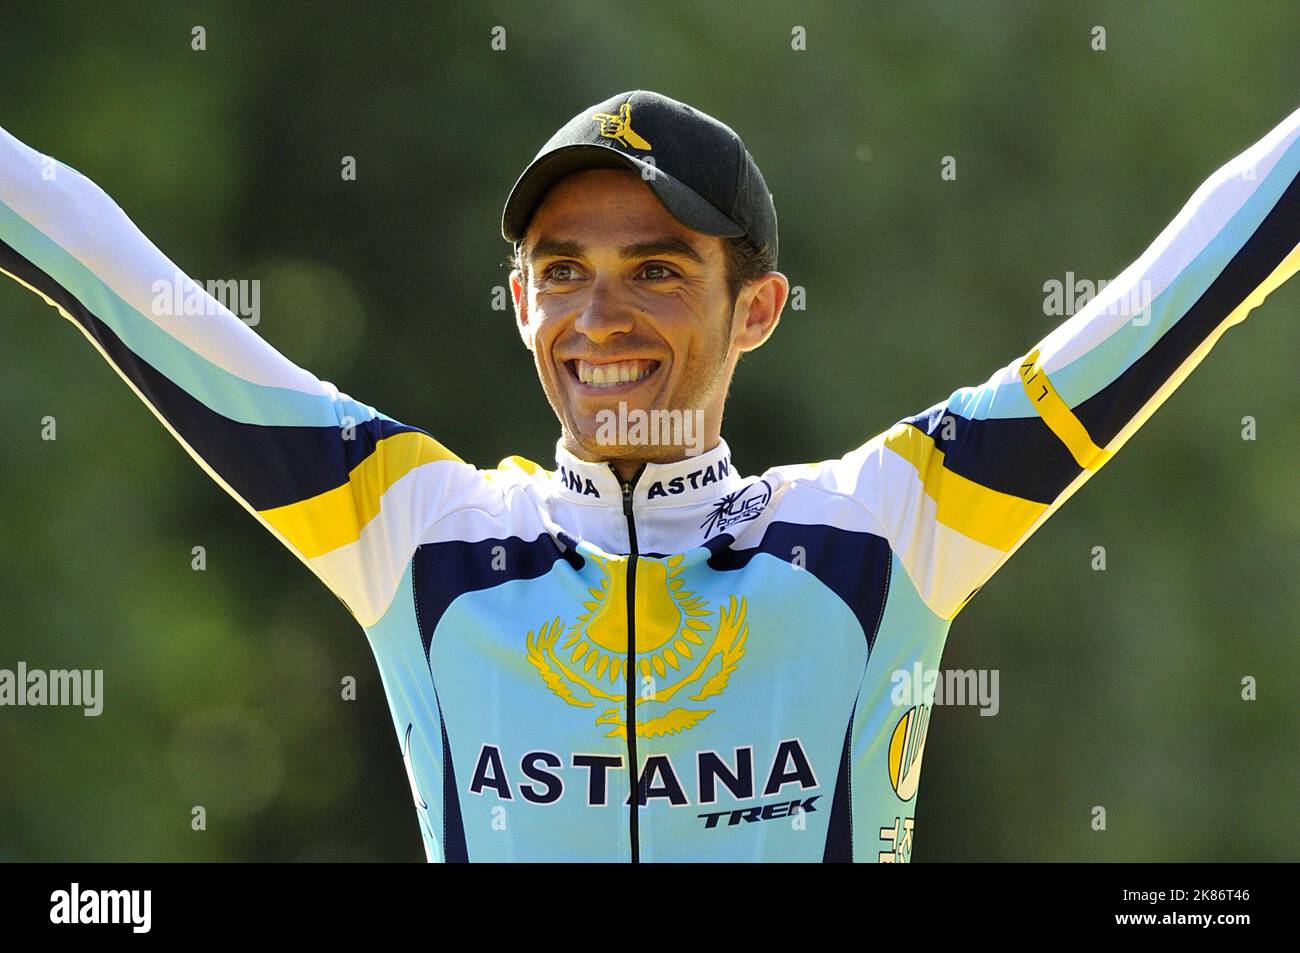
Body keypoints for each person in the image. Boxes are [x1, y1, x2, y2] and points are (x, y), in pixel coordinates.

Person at [1, 89, 1295, 862]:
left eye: (660, 267)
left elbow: (1172, 292)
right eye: (562, 269)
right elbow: (86, 250)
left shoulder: (881, 531)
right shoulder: (418, 534)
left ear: (761, 308)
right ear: (517, 303)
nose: (599, 315)